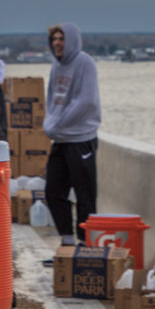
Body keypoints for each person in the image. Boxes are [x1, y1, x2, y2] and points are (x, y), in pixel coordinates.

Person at [43, 22, 101, 245]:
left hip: (81, 139)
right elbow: (52, 98)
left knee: (84, 195)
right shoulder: (56, 65)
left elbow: (85, 101)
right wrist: (50, 122)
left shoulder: (84, 63)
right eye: (54, 39)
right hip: (60, 139)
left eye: (62, 39)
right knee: (53, 192)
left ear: (72, 41)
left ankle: (86, 245)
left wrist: (57, 123)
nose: (57, 43)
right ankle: (67, 243)